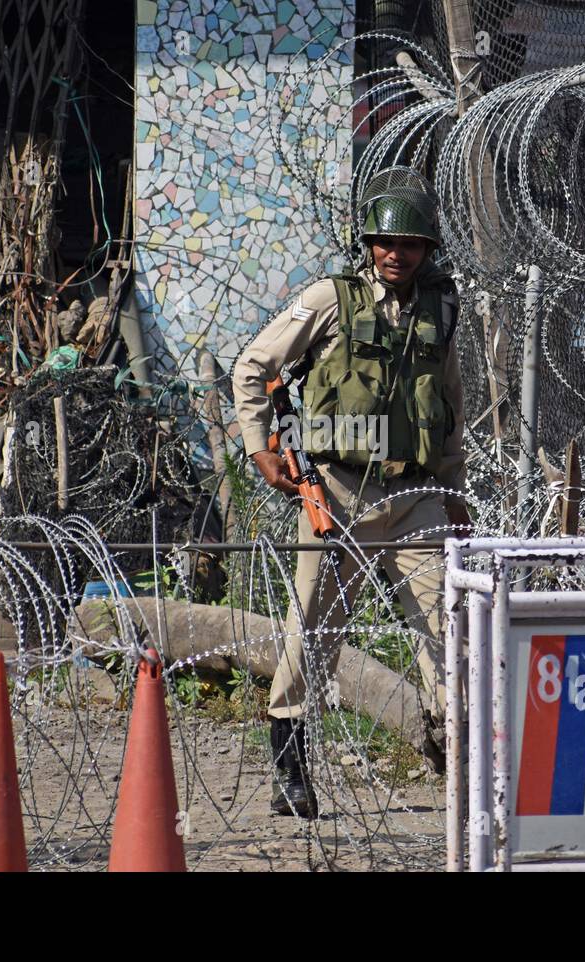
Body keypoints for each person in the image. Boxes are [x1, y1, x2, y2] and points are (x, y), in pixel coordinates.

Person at [231, 170, 470, 818]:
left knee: (448, 626)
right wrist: (260, 447)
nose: (398, 254)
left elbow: (448, 403)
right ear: (370, 244)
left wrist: (454, 489)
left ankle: (458, 760)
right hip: (339, 492)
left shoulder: (442, 308)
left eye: (412, 245)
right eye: (387, 243)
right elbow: (254, 364)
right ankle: (289, 760)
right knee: (314, 627)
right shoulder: (331, 301)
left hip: (416, 494)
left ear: (428, 250)